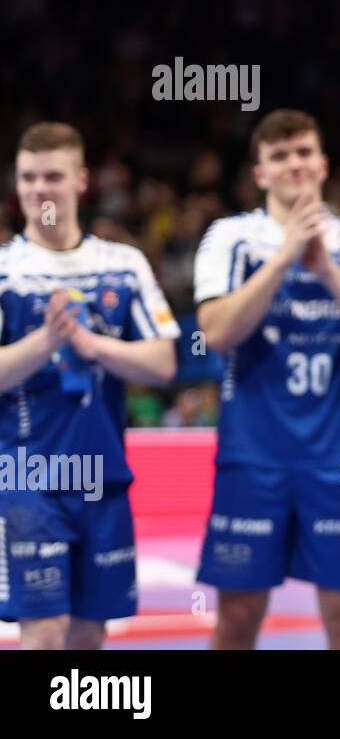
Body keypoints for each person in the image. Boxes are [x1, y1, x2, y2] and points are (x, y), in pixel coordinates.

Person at [193, 109, 340, 649]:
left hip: (337, 462)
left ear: (323, 164)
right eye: (279, 156)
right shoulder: (230, 238)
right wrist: (286, 255)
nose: (294, 164)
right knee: (237, 619)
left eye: (304, 152)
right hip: (251, 457)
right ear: (259, 173)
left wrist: (327, 271)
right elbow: (216, 332)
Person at [0, 122, 178, 649]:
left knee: (88, 635)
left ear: (81, 180)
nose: (39, 189)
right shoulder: (6, 271)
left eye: (52, 176)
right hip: (27, 481)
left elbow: (164, 363)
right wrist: (48, 340)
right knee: (45, 634)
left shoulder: (122, 266)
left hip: (104, 480)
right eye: (28, 177)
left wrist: (94, 345)